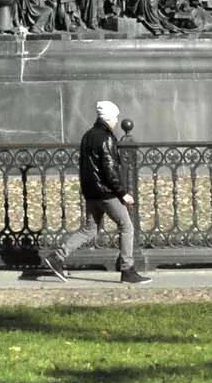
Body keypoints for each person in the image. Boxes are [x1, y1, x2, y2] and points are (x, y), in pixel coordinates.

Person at [41, 100, 147, 283]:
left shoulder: (87, 136)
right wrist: (122, 193)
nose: (116, 121)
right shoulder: (106, 138)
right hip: (106, 193)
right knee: (126, 226)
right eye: (115, 117)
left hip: (91, 192)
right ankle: (127, 269)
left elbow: (85, 166)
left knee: (89, 230)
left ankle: (57, 257)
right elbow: (109, 170)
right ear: (108, 118)